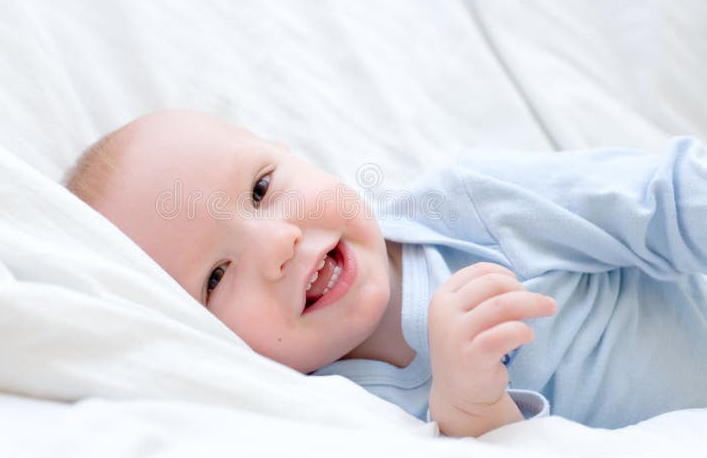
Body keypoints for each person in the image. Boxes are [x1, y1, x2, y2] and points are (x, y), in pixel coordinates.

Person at [65, 109, 707, 437]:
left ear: (291, 155)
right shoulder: (342, 416)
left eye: (262, 189)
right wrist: (473, 412)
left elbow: (664, 199)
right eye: (215, 277)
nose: (278, 242)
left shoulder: (465, 210)